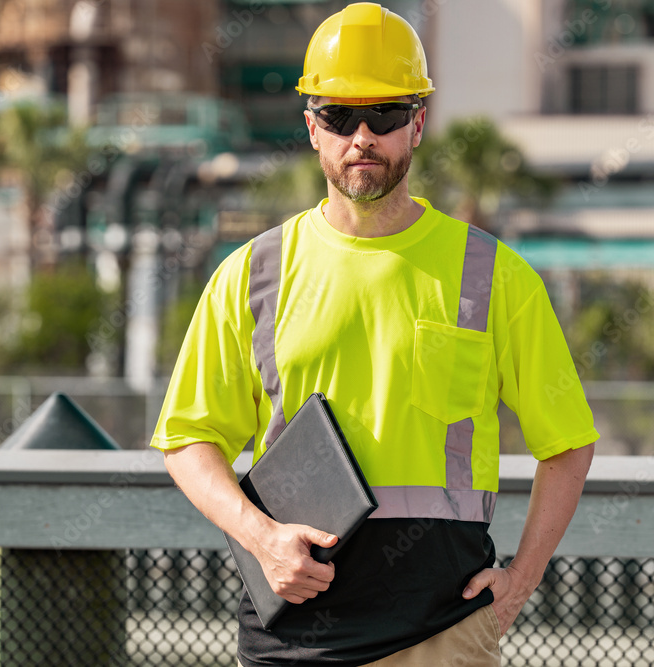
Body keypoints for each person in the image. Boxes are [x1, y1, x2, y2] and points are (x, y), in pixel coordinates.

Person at [151, 3, 598, 666]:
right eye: (339, 116)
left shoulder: (493, 274)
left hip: (441, 637)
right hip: (290, 638)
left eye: (384, 114)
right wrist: (263, 538)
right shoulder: (252, 274)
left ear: (417, 123)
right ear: (312, 127)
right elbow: (188, 438)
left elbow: (567, 443)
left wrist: (519, 583)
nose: (361, 136)